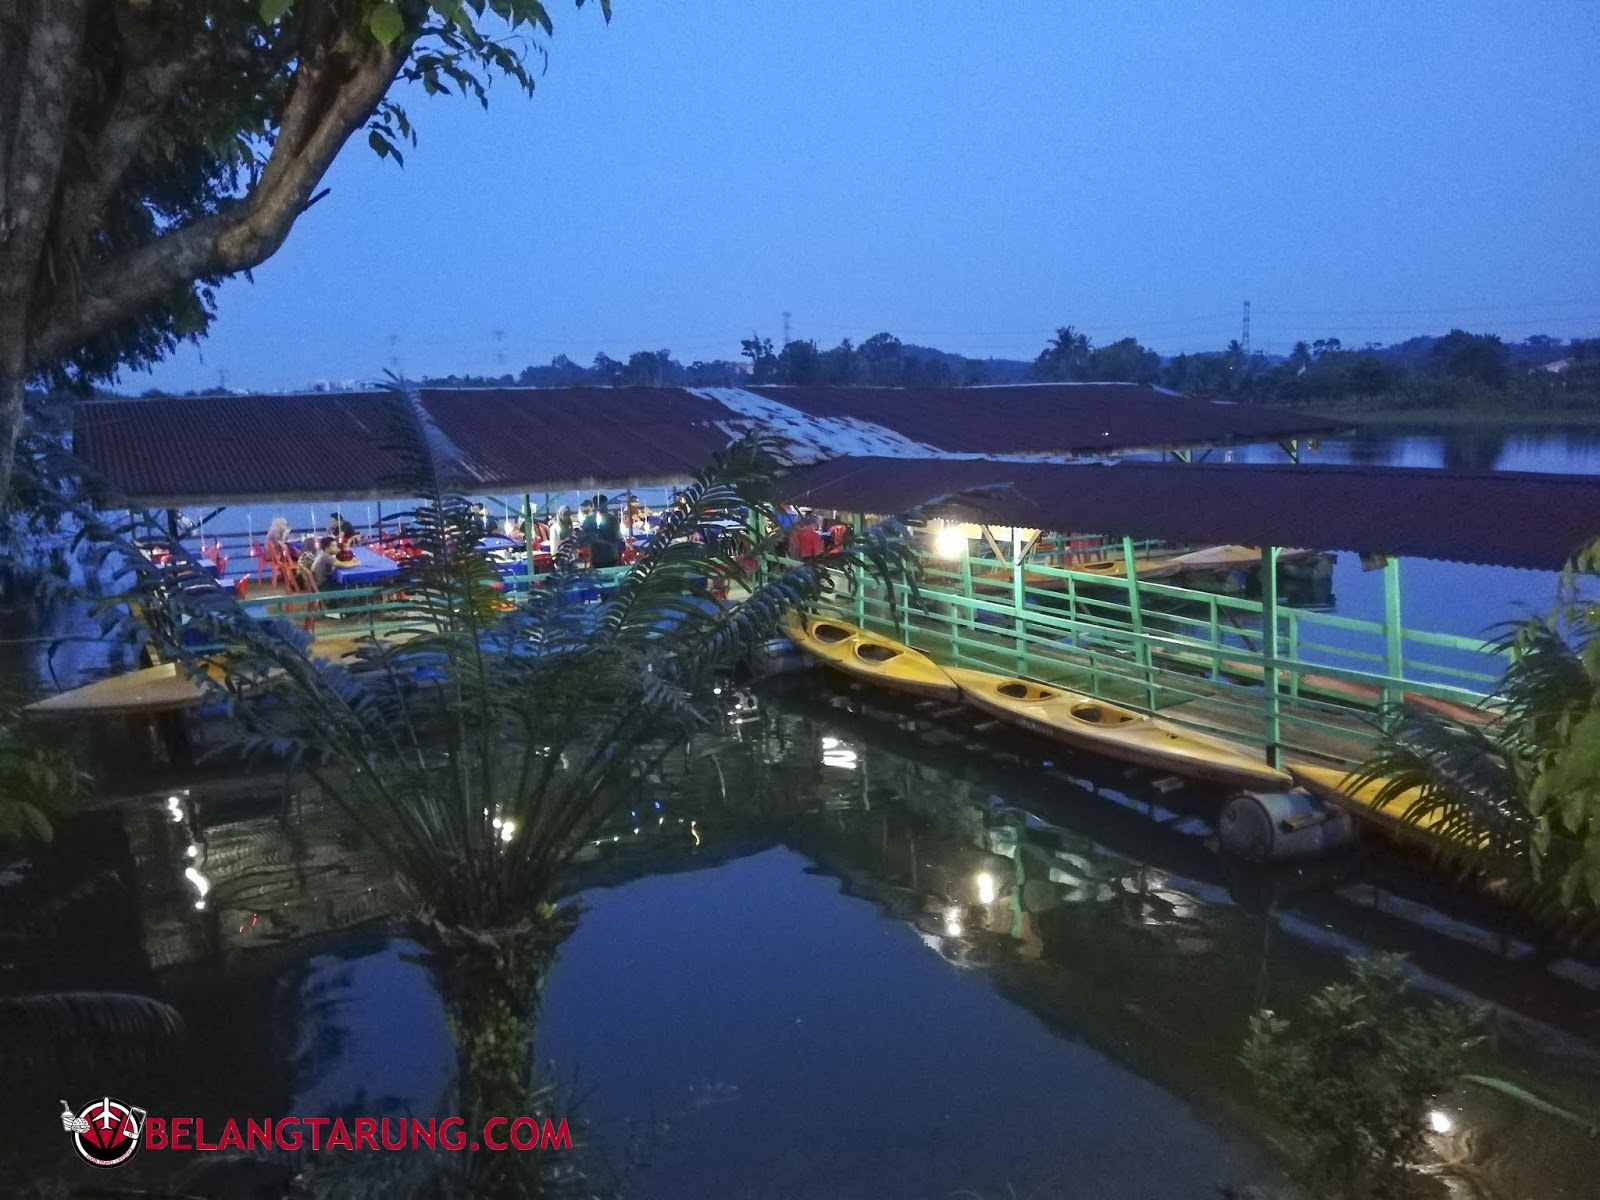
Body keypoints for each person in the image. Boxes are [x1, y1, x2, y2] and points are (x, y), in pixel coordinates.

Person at [582, 494, 623, 569]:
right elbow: (618, 538)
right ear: (606, 504)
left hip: (595, 558)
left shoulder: (588, 521)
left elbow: (586, 543)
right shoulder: (613, 519)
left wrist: (590, 561)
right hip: (611, 556)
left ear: (594, 505)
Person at [551, 506, 578, 570]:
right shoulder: (555, 527)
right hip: (560, 559)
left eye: (568, 514)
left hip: (570, 558)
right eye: (565, 514)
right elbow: (555, 544)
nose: (567, 517)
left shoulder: (570, 527)